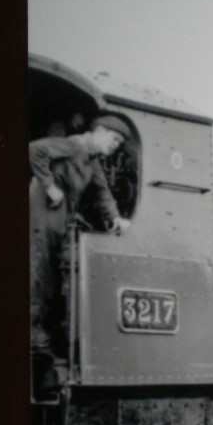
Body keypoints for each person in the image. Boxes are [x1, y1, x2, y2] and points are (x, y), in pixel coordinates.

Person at [29, 114, 132, 383]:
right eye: (114, 139)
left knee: (54, 279)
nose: (115, 146)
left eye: (119, 143)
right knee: (39, 275)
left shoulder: (93, 162)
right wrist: (49, 186)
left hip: (62, 219)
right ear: (98, 131)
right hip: (43, 214)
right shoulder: (74, 145)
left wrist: (116, 218)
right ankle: (36, 347)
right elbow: (35, 149)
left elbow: (102, 193)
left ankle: (46, 346)